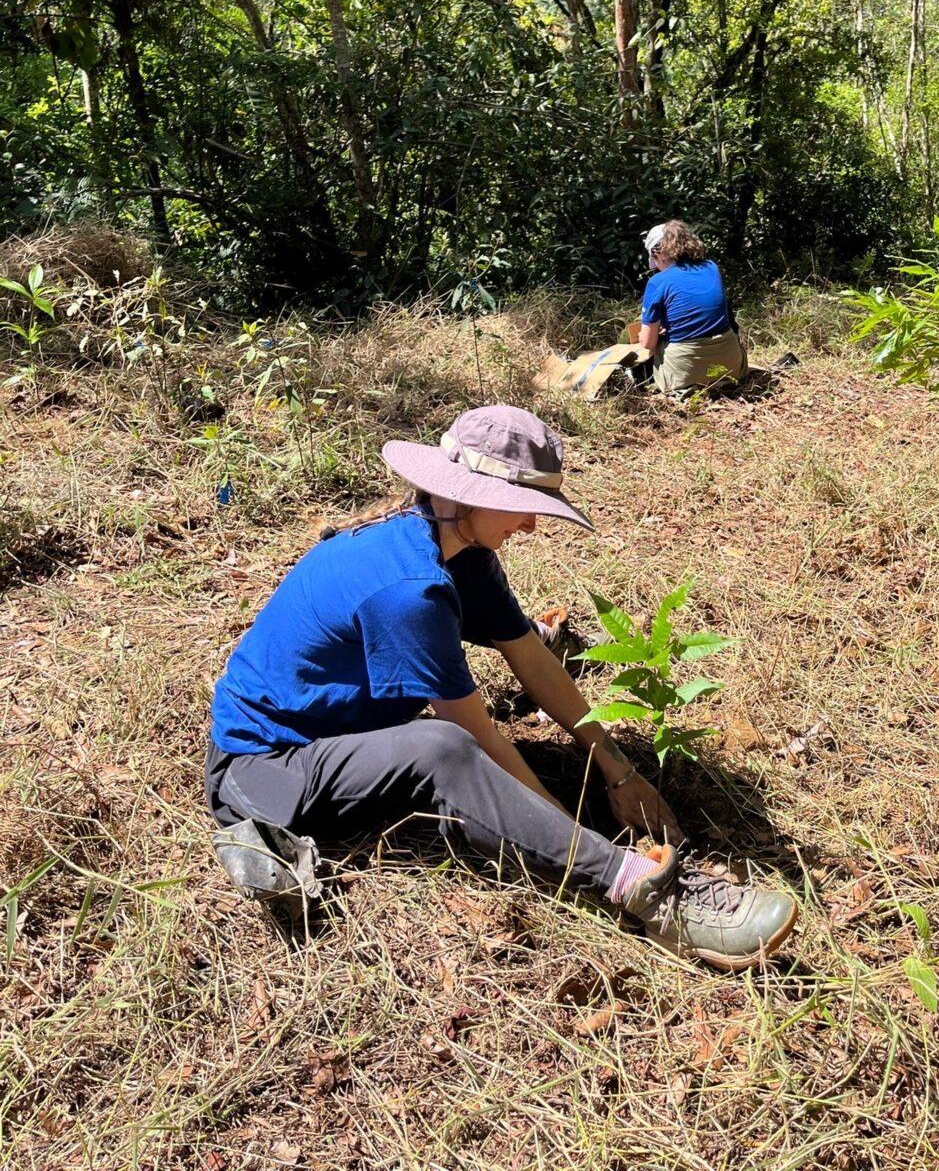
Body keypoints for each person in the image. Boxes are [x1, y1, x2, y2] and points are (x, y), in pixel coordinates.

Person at [205, 405, 797, 970]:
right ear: (470, 496)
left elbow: (532, 661)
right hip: (265, 770)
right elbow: (474, 737)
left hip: (341, 733)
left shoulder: (459, 549)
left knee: (456, 732)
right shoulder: (410, 590)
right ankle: (644, 892)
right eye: (521, 504)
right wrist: (576, 835)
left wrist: (618, 769)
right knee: (437, 748)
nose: (532, 522)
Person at [638, 220, 749, 397]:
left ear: (659, 252)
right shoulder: (711, 267)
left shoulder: (657, 282)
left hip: (685, 374)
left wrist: (648, 335)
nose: (656, 266)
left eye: (654, 260)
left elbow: (647, 343)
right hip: (730, 367)